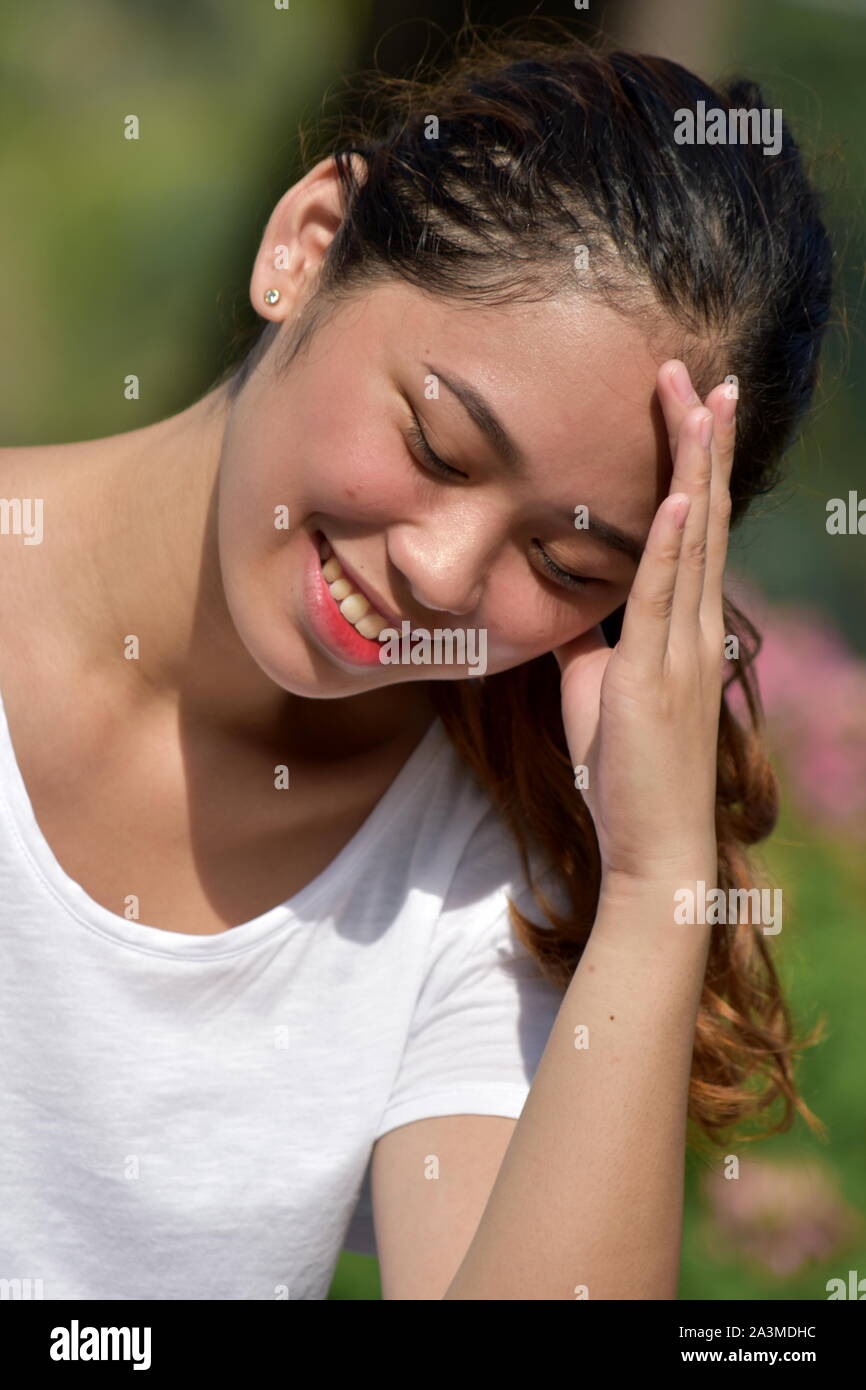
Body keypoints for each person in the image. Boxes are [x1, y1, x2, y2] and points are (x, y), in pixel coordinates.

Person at [0, 30, 833, 1300]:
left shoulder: (471, 876)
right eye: (440, 446)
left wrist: (657, 889)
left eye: (565, 565)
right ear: (309, 240)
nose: (442, 577)